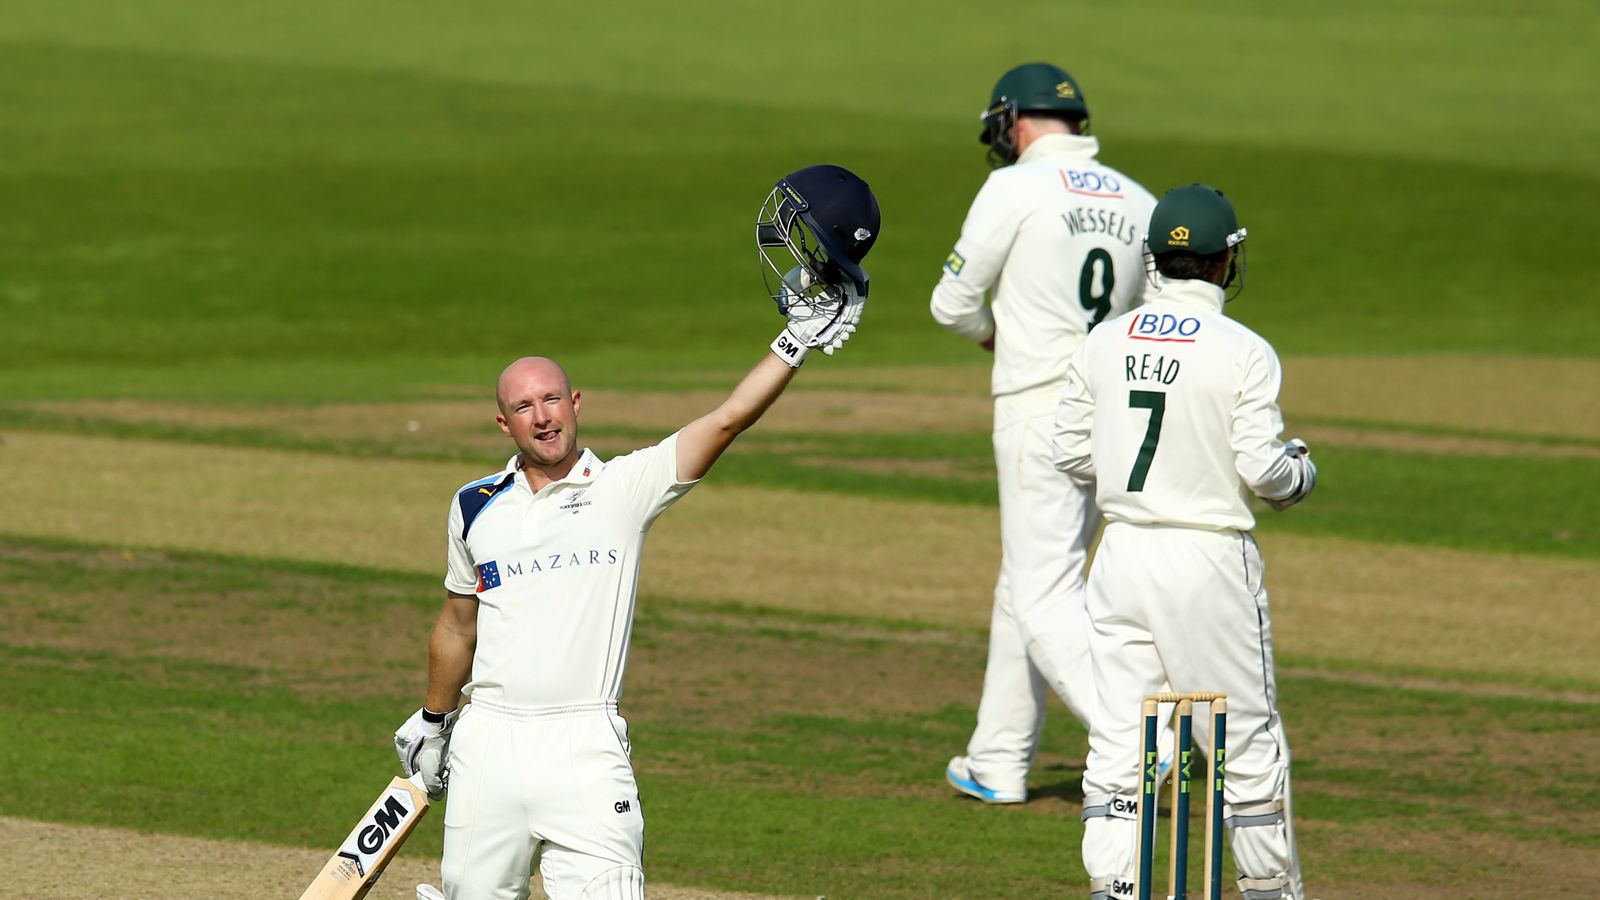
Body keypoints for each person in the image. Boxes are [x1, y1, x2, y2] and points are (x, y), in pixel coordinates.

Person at [393, 164, 880, 900]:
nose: (544, 415)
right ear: (504, 423)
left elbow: (726, 420)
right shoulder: (472, 507)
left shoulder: (624, 488)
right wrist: (435, 719)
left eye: (553, 398)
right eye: (526, 406)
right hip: (487, 740)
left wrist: (793, 343)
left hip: (583, 748)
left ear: (577, 402)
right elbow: (458, 625)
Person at [1053, 183, 1315, 900]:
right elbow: (1267, 472)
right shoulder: (1243, 350)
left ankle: (1115, 884)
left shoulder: (1105, 341)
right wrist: (1302, 472)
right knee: (1248, 741)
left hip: (1124, 553)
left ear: (1156, 259)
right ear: (1226, 261)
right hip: (1207, 560)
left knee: (1118, 739)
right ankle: (1269, 890)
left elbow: (1069, 452)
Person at [929, 61, 1159, 804]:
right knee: (1029, 578)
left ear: (1016, 122)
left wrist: (998, 336)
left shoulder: (1014, 187)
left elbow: (951, 302)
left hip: (1037, 404)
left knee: (1041, 590)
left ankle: (1136, 741)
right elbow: (1158, 319)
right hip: (1114, 414)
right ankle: (997, 759)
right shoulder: (1138, 199)